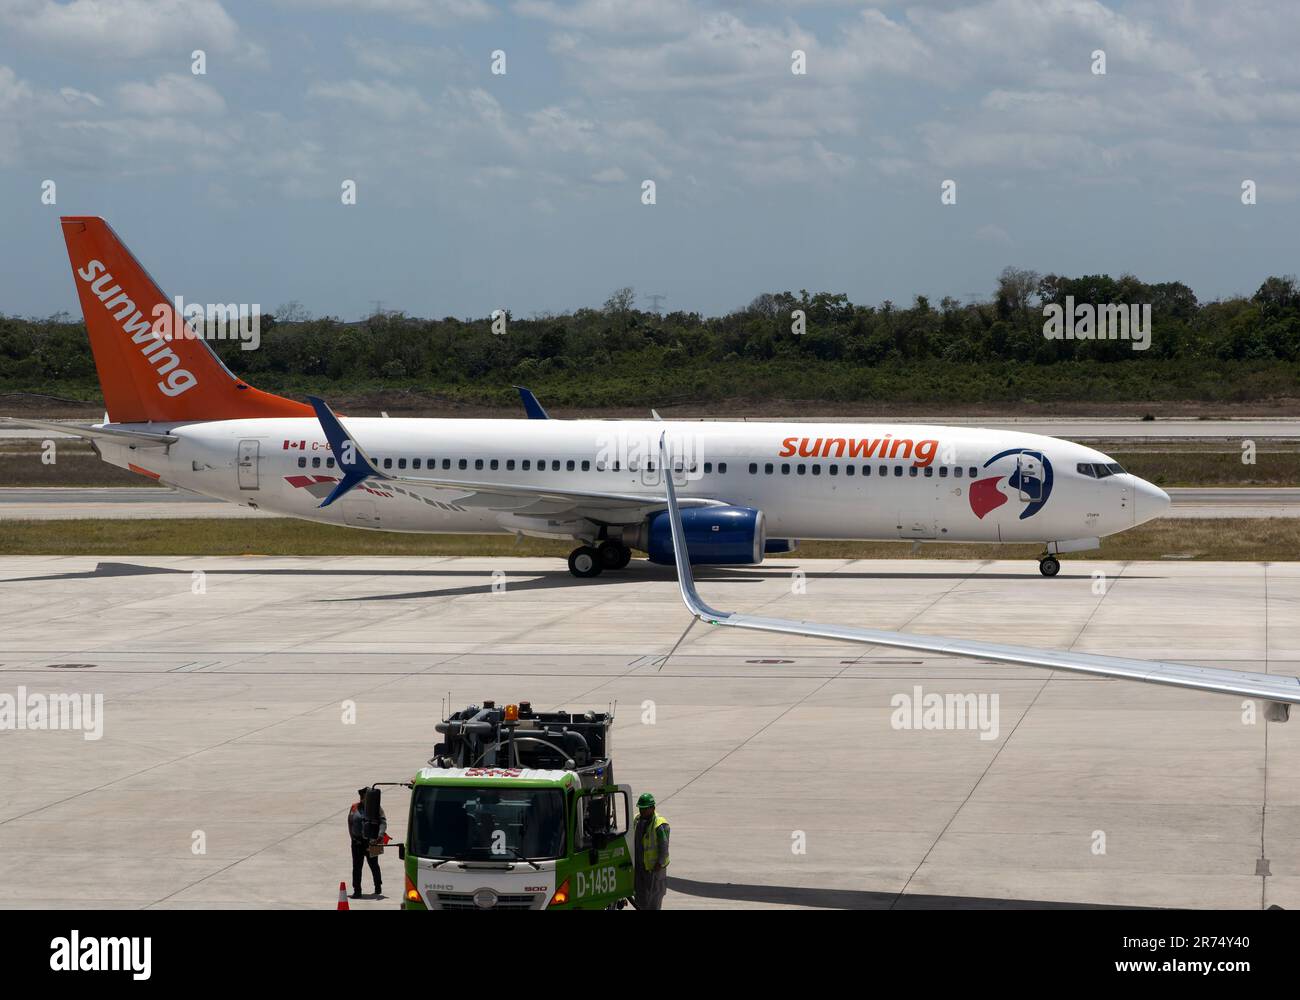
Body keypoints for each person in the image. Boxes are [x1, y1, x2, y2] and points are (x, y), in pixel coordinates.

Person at [633, 792, 669, 910]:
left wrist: (659, 863)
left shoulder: (660, 824)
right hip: (640, 867)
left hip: (655, 869)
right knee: (640, 900)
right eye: (641, 808)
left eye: (645, 809)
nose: (642, 811)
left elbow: (664, 847)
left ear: (653, 808)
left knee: (654, 899)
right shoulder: (637, 820)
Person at [348, 787, 387, 899]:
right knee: (356, 867)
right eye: (362, 797)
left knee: (374, 865)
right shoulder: (354, 807)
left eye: (365, 797)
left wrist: (380, 835)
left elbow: (383, 822)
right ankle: (357, 890)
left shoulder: (376, 807)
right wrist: (352, 837)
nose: (363, 799)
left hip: (373, 842)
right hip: (357, 842)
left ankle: (378, 885)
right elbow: (350, 822)